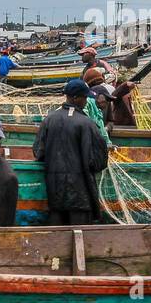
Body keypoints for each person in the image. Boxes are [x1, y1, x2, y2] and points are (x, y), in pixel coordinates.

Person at [32, 79, 110, 225]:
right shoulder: (87, 123)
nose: (86, 101)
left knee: (57, 236)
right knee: (81, 233)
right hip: (81, 195)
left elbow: (38, 152)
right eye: (85, 97)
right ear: (75, 98)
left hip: (54, 192)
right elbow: (99, 160)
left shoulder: (49, 120)